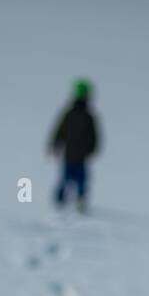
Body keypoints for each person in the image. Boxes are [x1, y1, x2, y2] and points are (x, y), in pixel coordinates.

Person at [47, 79, 101, 211]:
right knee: (67, 179)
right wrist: (55, 145)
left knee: (79, 180)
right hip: (71, 155)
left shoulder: (86, 116)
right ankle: (60, 201)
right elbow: (60, 131)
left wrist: (92, 148)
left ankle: (78, 201)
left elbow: (93, 136)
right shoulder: (75, 114)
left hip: (79, 156)